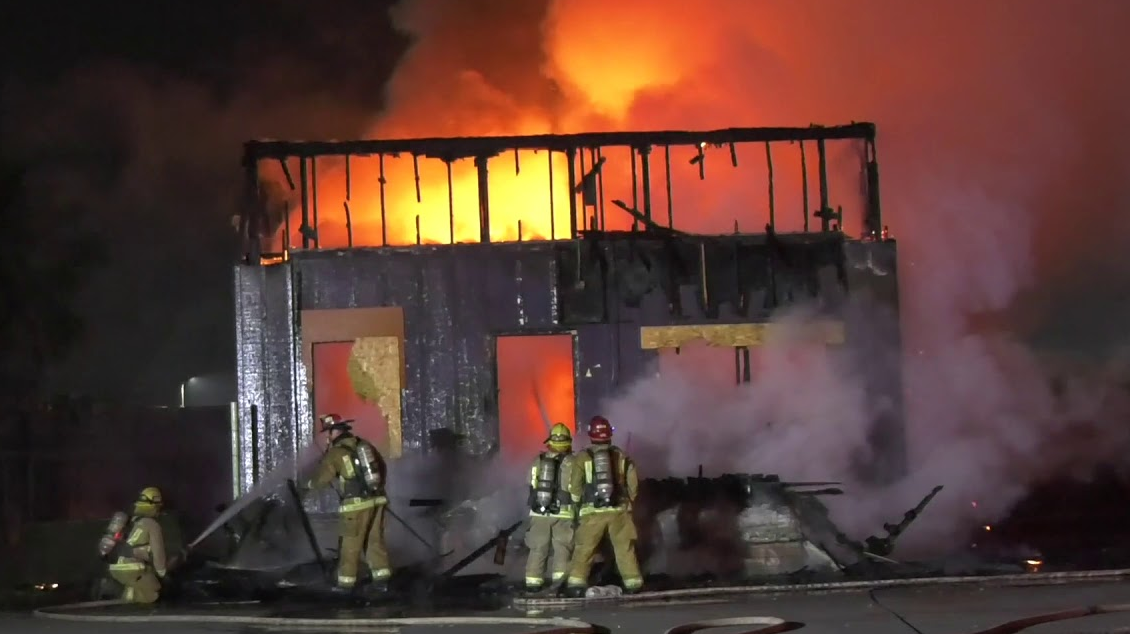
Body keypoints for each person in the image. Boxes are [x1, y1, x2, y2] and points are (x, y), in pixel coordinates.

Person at [300, 413, 390, 595]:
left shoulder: (336, 453)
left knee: (350, 545)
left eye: (328, 432)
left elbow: (321, 480)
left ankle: (345, 586)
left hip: (355, 506)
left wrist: (305, 484)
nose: (327, 436)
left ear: (335, 432)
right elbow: (382, 467)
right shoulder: (364, 445)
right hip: (378, 499)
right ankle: (382, 582)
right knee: (374, 541)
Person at [565, 416, 643, 596]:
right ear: (609, 434)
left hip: (592, 512)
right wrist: (629, 500)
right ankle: (633, 583)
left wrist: (577, 504)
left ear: (591, 435)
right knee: (624, 548)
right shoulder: (621, 455)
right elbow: (633, 484)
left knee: (585, 548)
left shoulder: (583, 457)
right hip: (619, 510)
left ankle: (576, 584)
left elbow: (575, 485)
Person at [523, 423, 577, 594]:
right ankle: (559, 584)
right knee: (562, 548)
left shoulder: (538, 461)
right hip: (564, 512)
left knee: (538, 547)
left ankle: (533, 583)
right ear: (568, 442)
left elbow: (530, 483)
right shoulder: (573, 462)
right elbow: (576, 489)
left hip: (539, 512)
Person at [105, 487, 169, 604]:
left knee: (139, 579)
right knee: (154, 592)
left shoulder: (131, 521)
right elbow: (158, 553)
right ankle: (136, 602)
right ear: (155, 506)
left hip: (114, 568)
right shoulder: (152, 524)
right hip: (132, 568)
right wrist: (162, 573)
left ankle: (130, 593)